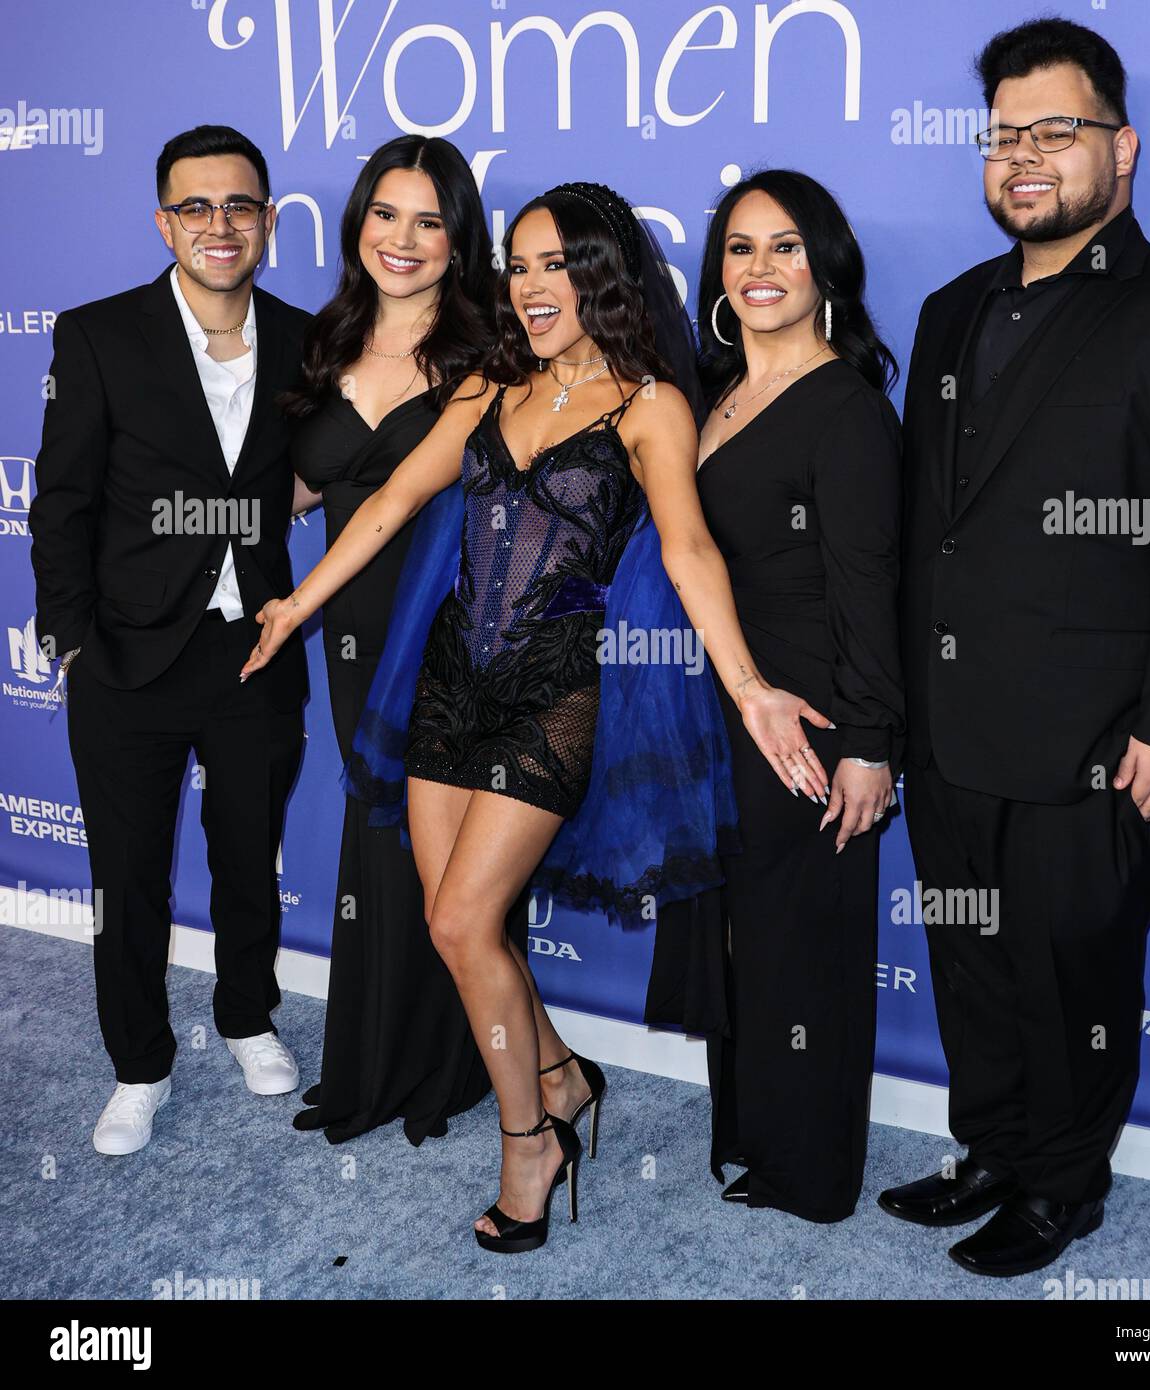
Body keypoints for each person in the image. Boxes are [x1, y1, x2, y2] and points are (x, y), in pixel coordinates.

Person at [241, 182, 823, 1253]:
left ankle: (532, 1142)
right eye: (517, 264)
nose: (530, 285)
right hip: (448, 682)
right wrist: (294, 606)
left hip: (554, 695)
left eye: (555, 264)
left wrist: (747, 687)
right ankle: (559, 1070)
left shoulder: (650, 402)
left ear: (601, 274)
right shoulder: (487, 379)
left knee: (465, 924)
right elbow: (388, 504)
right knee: (451, 919)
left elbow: (689, 552)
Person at [884, 18, 1150, 1275]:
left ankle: (1065, 1185)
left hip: (1097, 738)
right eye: (1004, 134)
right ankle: (992, 1147)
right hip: (948, 729)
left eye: (1054, 130)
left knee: (1068, 977)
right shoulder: (952, 312)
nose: (1024, 156)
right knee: (968, 953)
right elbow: (927, 532)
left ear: (1121, 146)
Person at [29, 125, 311, 1154]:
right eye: (196, 207)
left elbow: (303, 476)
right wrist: (72, 640)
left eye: (239, 205)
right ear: (165, 222)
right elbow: (58, 504)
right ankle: (140, 1062)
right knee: (131, 873)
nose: (220, 225)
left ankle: (245, 1015)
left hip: (254, 650)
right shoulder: (102, 335)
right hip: (128, 658)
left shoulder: (298, 338)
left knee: (247, 855)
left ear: (268, 221)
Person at [658, 169, 904, 1223]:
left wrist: (868, 742)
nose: (762, 269)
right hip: (720, 707)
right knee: (741, 937)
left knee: (804, 942)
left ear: (826, 269)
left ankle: (812, 1173)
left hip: (806, 716)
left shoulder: (842, 407)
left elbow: (869, 588)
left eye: (786, 247)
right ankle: (755, 1132)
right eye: (742, 248)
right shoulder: (714, 390)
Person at [283, 136, 507, 1147]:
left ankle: (444, 1068)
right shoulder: (321, 342)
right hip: (345, 635)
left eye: (429, 220)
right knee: (373, 838)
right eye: (385, 213)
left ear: (459, 241)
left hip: (444, 635)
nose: (403, 239)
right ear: (358, 223)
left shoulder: (486, 356)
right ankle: (370, 1066)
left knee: (442, 865)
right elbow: (297, 489)